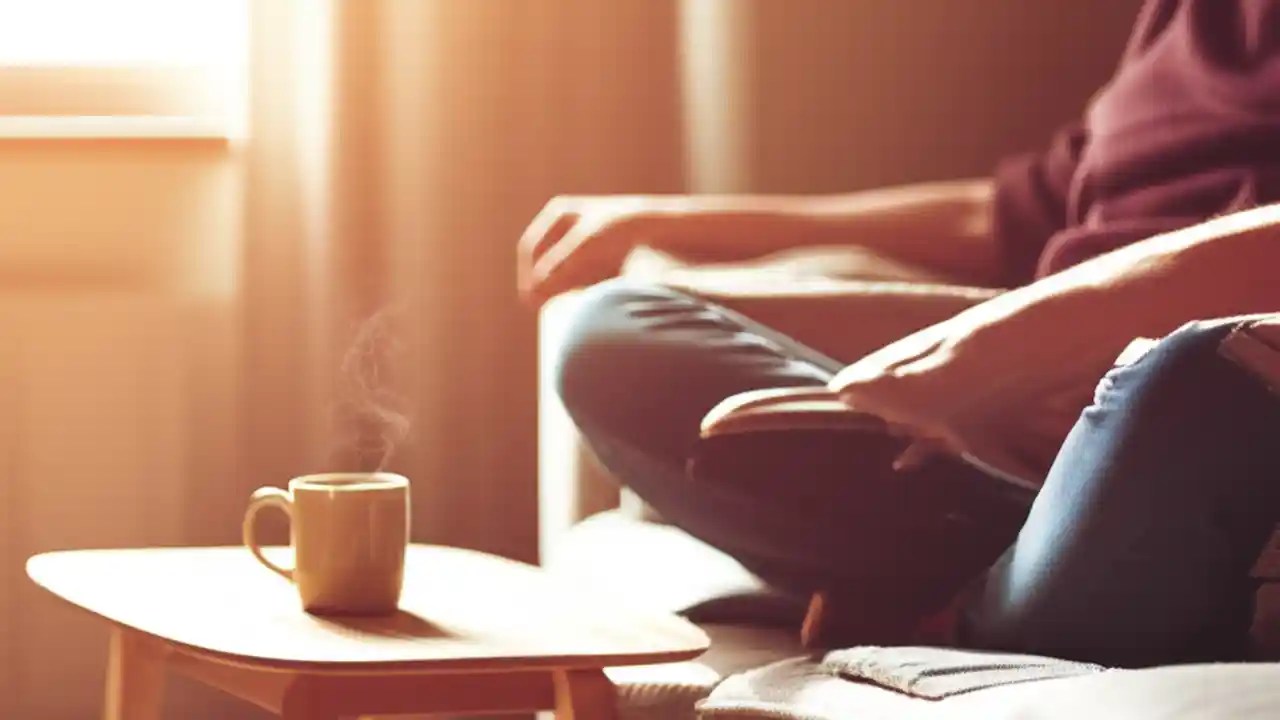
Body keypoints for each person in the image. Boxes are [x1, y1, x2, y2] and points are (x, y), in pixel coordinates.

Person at [519, 0, 1280, 667]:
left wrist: (993, 351)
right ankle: (1036, 559)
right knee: (616, 331)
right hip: (1054, 383)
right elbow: (1027, 209)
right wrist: (669, 220)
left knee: (1187, 390)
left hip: (1201, 385)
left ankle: (1000, 578)